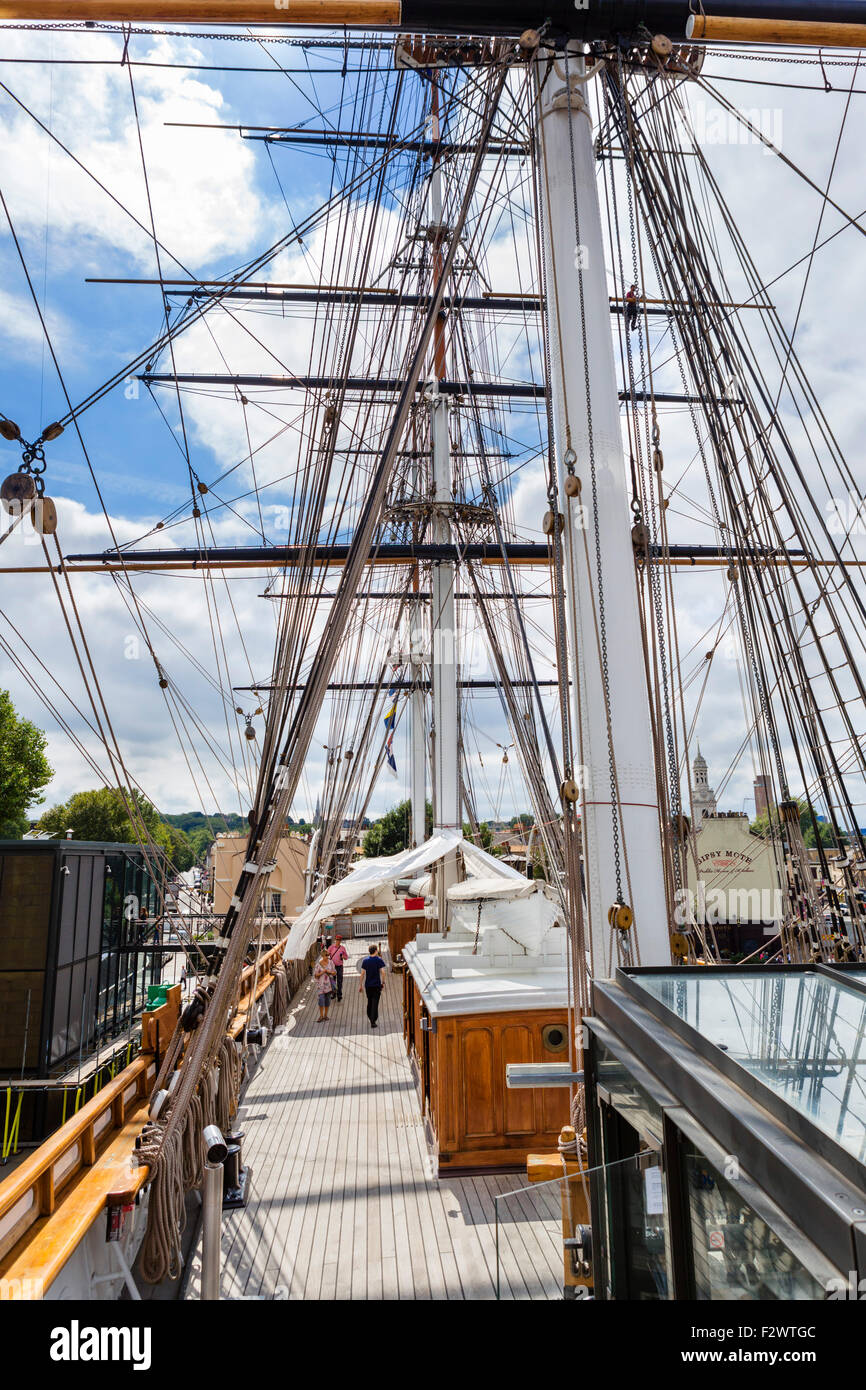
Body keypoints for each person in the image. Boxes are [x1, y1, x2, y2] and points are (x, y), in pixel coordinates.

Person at [358, 943, 386, 1028]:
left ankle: (370, 1016)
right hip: (377, 985)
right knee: (375, 1003)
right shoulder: (379, 960)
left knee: (369, 1001)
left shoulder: (365, 961)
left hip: (368, 985)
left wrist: (360, 985)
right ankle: (373, 1020)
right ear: (375, 951)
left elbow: (362, 974)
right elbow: (383, 972)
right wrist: (383, 982)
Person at [313, 949, 336, 1023]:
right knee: (321, 1000)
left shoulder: (331, 962)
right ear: (322, 955)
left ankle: (325, 1015)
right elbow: (316, 975)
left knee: (327, 1001)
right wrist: (322, 972)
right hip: (321, 986)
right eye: (326, 955)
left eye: (328, 955)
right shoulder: (318, 964)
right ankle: (321, 1015)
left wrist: (329, 972)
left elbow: (334, 973)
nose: (328, 956)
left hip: (328, 985)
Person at [328, 934, 348, 1001]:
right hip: (332, 967)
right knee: (333, 981)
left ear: (340, 941)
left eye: (339, 940)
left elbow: (346, 957)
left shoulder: (342, 948)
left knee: (340, 981)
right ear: (335, 940)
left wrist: (343, 957)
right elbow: (327, 954)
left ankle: (339, 995)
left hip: (339, 967)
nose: (338, 941)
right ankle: (333, 994)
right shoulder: (331, 947)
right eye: (337, 940)